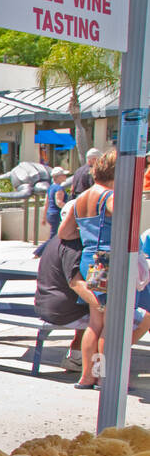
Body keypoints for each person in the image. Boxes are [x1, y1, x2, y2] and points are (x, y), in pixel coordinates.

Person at [57, 149, 150, 388]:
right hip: (111, 261)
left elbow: (65, 233)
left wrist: (89, 233)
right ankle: (107, 378)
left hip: (92, 261)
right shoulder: (110, 196)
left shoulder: (81, 198)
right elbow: (127, 222)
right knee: (112, 324)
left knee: (95, 323)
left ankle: (89, 375)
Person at [33, 217, 95, 372]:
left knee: (89, 309)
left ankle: (77, 358)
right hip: (61, 311)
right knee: (106, 321)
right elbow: (76, 283)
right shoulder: (73, 245)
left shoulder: (55, 240)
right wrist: (101, 305)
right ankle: (97, 370)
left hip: (44, 304)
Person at [45, 167, 68, 239]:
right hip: (56, 214)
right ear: (58, 177)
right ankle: (46, 248)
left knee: (53, 233)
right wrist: (69, 207)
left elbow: (46, 202)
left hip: (50, 213)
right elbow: (58, 202)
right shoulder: (59, 188)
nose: (65, 176)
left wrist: (44, 216)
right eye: (63, 175)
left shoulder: (50, 187)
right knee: (54, 235)